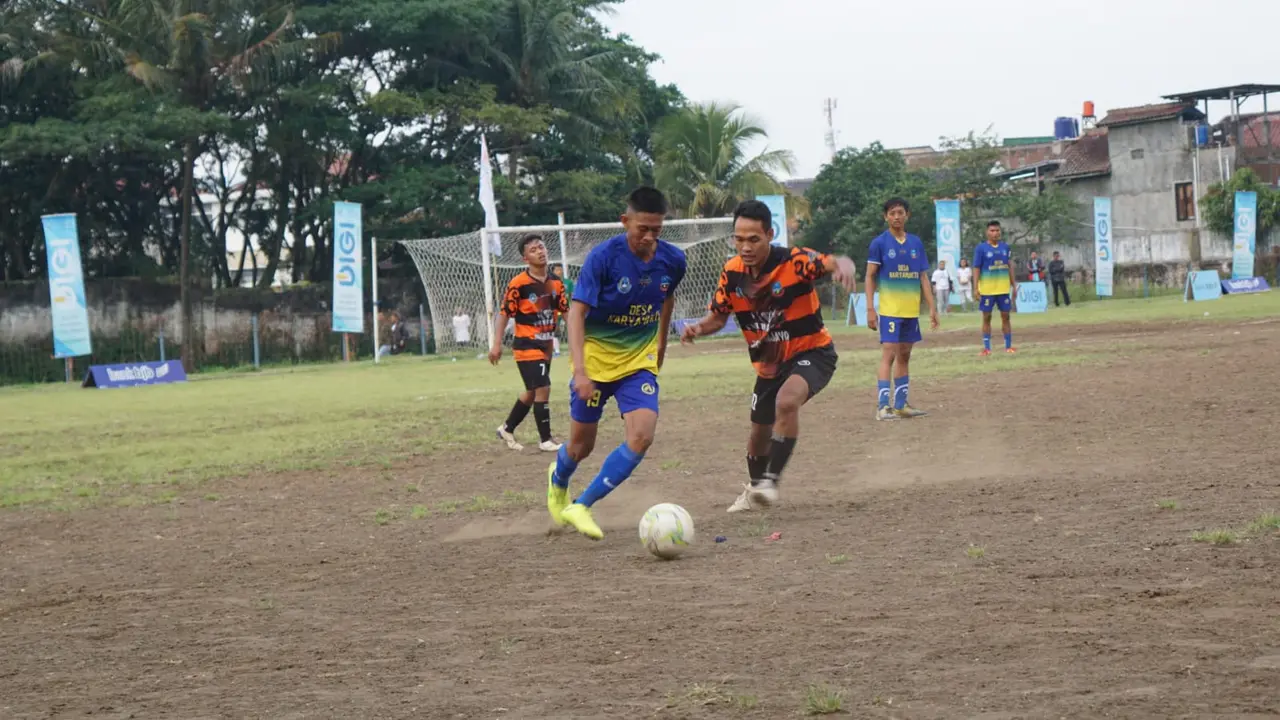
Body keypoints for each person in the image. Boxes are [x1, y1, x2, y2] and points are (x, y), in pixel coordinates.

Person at [679, 199, 856, 512]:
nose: (745, 247)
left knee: (786, 402)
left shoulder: (794, 261)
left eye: (753, 239)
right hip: (769, 364)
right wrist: (698, 328)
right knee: (758, 432)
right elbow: (718, 318)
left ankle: (770, 481)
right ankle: (755, 489)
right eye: (738, 239)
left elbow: (833, 262)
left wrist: (844, 267)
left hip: (813, 352)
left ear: (770, 235)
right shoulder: (732, 273)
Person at [546, 187, 687, 540]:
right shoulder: (603, 258)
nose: (650, 237)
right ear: (625, 221)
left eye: (657, 229)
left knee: (642, 436)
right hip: (595, 363)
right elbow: (576, 313)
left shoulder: (673, 260)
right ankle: (558, 479)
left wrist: (661, 347)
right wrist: (580, 371)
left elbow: (666, 300)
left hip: (638, 363)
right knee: (581, 447)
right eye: (643, 229)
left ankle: (582, 505)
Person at [490, 234, 569, 453]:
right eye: (533, 250)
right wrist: (496, 344)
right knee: (543, 387)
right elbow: (504, 314)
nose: (540, 251)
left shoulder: (556, 282)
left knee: (532, 391)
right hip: (527, 345)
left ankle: (507, 428)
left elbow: (566, 311)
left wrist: (578, 337)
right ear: (525, 258)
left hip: (546, 345)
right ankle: (546, 440)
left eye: (541, 247)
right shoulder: (519, 283)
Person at [865, 198, 940, 421]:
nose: (896, 217)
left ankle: (900, 405)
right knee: (888, 354)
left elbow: (923, 277)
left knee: (905, 355)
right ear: (885, 217)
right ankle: (882, 407)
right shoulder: (879, 243)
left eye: (900, 212)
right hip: (890, 310)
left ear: (907, 215)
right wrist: (870, 308)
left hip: (910, 311)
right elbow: (869, 276)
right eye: (892, 213)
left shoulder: (916, 243)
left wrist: (932, 308)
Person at [973, 220, 1018, 356]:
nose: (995, 233)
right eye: (992, 230)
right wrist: (975, 288)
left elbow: (1009, 266)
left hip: (1003, 289)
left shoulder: (1005, 247)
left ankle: (1008, 347)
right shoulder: (981, 248)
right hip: (987, 290)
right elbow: (976, 268)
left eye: (997, 230)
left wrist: (1014, 285)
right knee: (987, 317)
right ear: (987, 232)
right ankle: (987, 348)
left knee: (1006, 317)